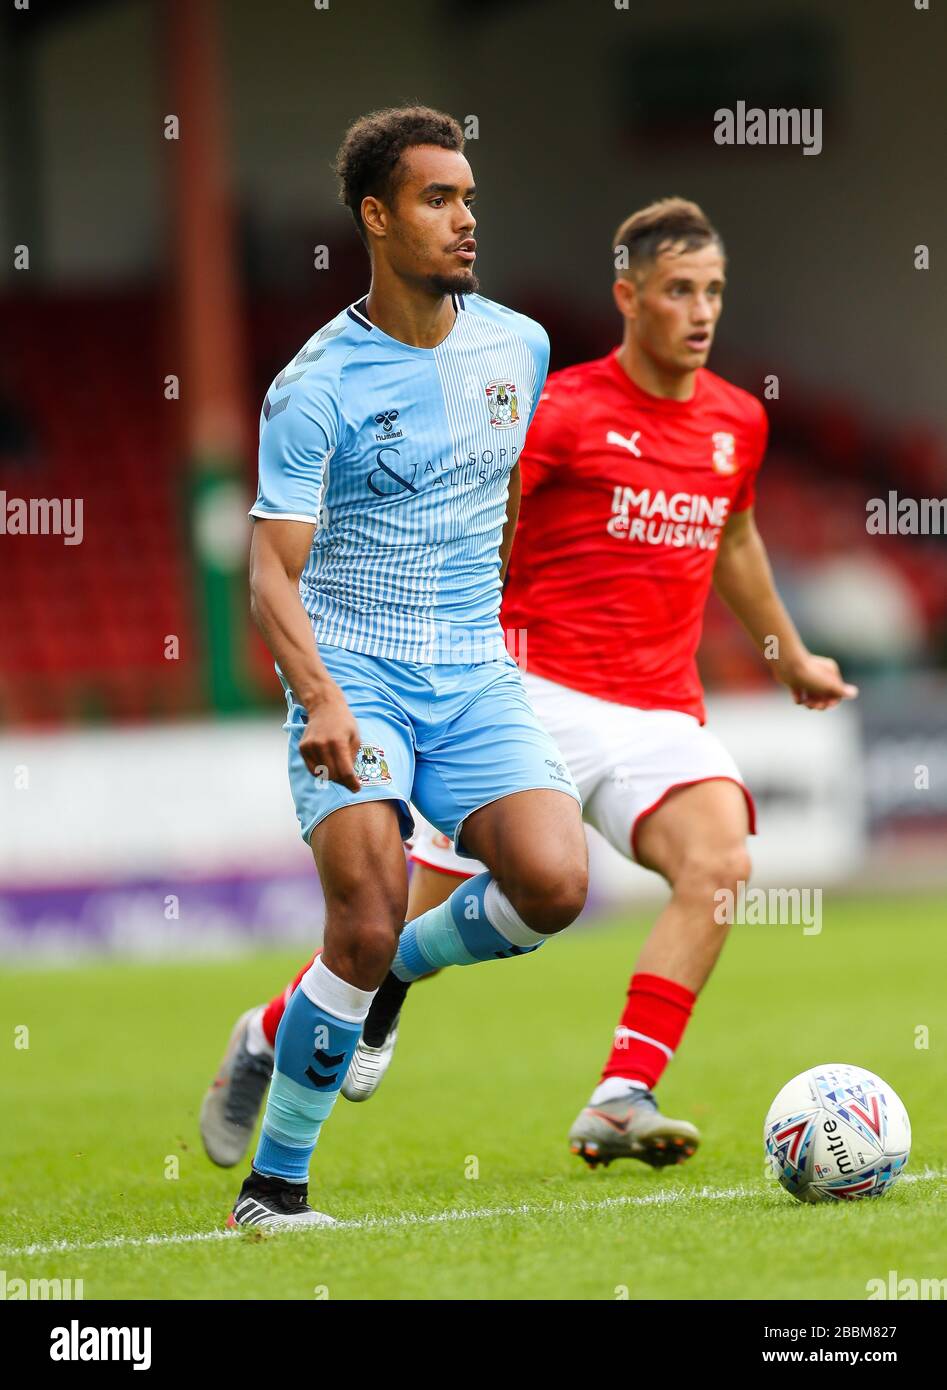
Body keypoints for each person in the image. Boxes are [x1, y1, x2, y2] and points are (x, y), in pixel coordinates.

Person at [207, 195, 856, 1182]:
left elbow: (733, 538)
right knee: (374, 934)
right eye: (678, 290)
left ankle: (621, 1090)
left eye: (713, 292)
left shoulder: (736, 422)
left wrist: (787, 656)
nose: (699, 311)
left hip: (656, 712)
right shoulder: (560, 407)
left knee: (719, 862)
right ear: (626, 298)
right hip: (528, 691)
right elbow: (477, 514)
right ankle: (265, 1033)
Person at [219, 105, 588, 1230]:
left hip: (470, 667)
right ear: (375, 217)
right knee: (366, 916)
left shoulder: (517, 344)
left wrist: (493, 616)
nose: (464, 219)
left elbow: (505, 496)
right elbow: (267, 575)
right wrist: (321, 695)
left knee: (553, 885)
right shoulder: (313, 385)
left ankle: (384, 990)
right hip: (357, 674)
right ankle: (273, 1190)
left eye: (468, 197)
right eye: (437, 199)